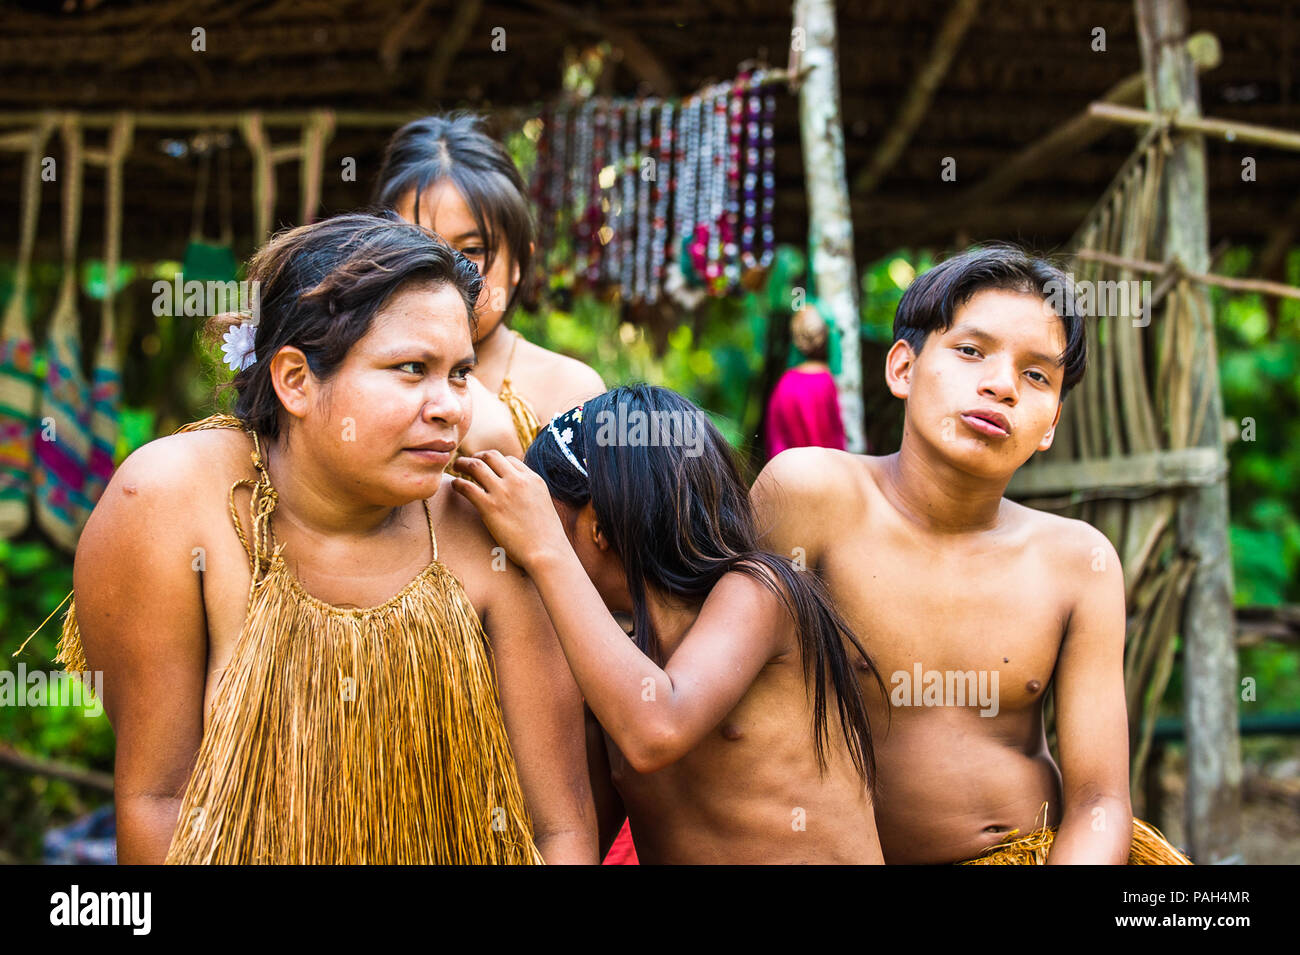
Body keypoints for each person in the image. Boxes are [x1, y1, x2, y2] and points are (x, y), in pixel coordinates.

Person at [56, 214, 597, 864]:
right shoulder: (170, 503)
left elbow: (559, 830)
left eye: (458, 372)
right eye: (410, 368)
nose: (452, 405)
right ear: (295, 380)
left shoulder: (491, 524)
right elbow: (157, 800)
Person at [751, 245, 1191, 864]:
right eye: (971, 351)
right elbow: (725, 722)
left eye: (1037, 375)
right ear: (903, 368)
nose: (1002, 385)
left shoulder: (1078, 561)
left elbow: (1099, 803)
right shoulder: (812, 495)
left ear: (1051, 424)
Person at [451, 385, 886, 864]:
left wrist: (545, 550)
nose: (523, 557)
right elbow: (575, 833)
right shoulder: (612, 676)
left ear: (597, 526)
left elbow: (657, 728)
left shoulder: (761, 594)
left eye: (544, 524)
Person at [375, 113, 605, 451]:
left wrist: (502, 447)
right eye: (418, 247)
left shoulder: (570, 391)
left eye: (472, 250)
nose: (446, 272)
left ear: (517, 263)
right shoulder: (357, 375)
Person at [764, 304, 848, 460]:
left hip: (789, 477)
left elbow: (775, 439)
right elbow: (837, 440)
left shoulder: (785, 382)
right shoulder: (827, 383)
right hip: (825, 477)